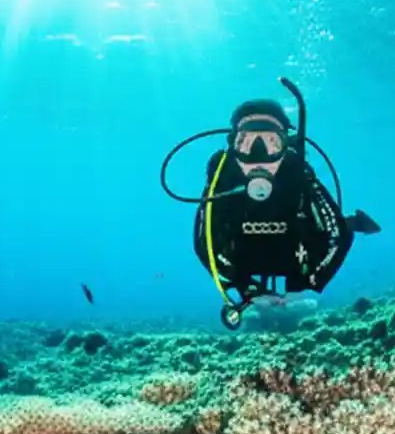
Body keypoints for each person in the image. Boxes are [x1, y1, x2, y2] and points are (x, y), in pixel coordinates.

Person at [161, 78, 378, 328]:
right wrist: (246, 288)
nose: (259, 157)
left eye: (271, 142)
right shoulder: (223, 179)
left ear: (286, 146)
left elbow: (337, 235)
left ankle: (355, 222)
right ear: (233, 146)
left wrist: (307, 285)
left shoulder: (297, 173)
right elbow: (204, 245)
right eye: (247, 143)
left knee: (339, 224)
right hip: (245, 260)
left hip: (296, 256)